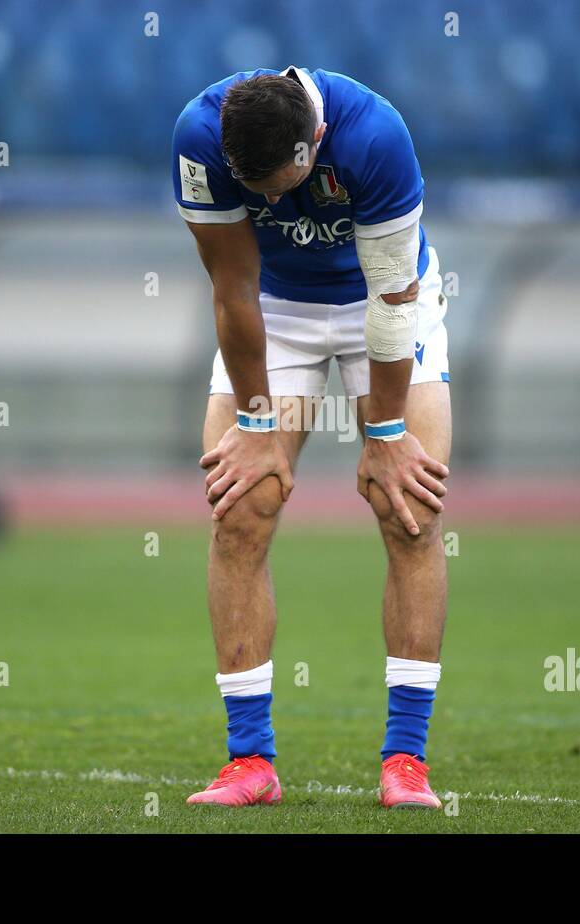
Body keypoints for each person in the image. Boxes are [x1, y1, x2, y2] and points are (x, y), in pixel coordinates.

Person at [172, 67, 452, 808]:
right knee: (240, 508)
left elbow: (394, 303)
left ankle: (407, 761)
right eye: (249, 182)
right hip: (274, 310)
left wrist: (386, 432)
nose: (264, 196)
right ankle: (250, 762)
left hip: (383, 303)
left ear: (315, 142)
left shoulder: (377, 136)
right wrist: (259, 424)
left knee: (410, 511)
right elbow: (231, 289)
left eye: (278, 180)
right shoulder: (200, 137)